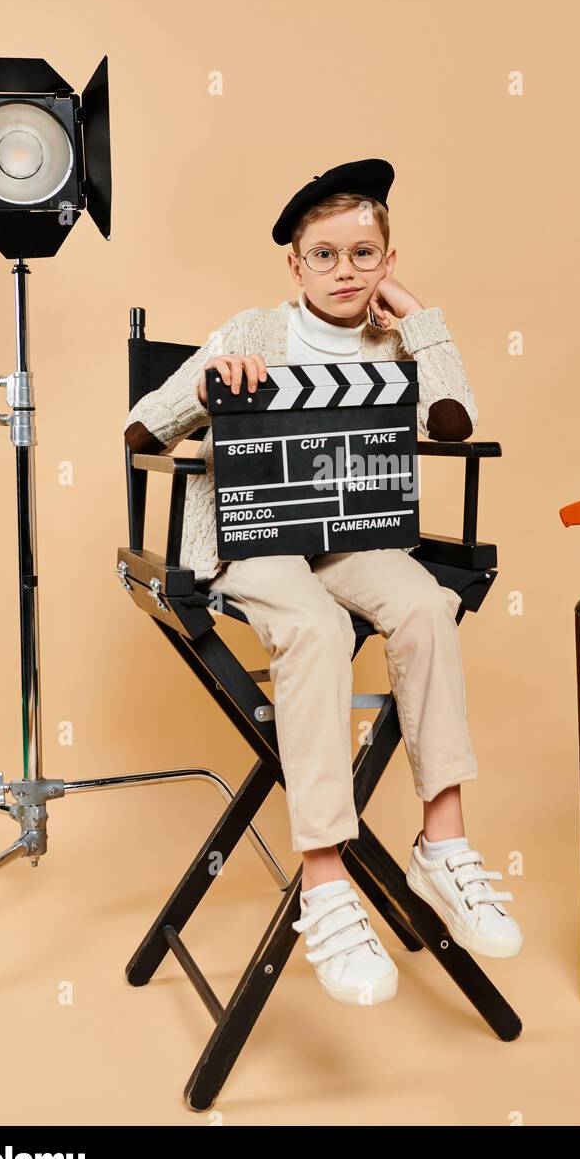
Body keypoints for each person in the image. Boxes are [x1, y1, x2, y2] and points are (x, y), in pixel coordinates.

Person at [124, 159, 523, 1007]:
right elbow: (140, 427)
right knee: (313, 629)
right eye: (326, 255)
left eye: (365, 254)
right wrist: (207, 384)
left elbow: (452, 420)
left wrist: (420, 319)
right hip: (255, 538)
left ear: (387, 260)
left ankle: (442, 846)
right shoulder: (252, 331)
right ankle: (326, 879)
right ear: (294, 265)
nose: (346, 271)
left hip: (350, 536)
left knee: (423, 601)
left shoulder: (389, 341)